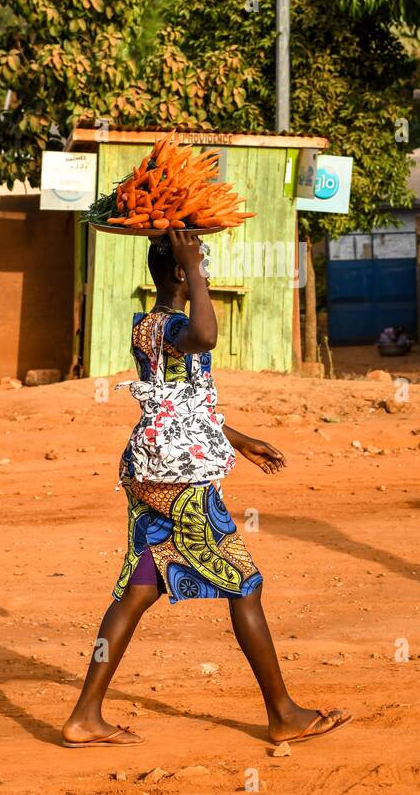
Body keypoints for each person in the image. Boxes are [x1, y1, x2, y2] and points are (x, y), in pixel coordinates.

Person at [62, 229, 351, 749]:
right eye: (199, 267)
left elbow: (179, 405)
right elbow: (207, 335)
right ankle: (283, 713)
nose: (206, 275)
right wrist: (195, 269)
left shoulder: (146, 325)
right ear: (180, 273)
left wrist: (237, 439)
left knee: (141, 588)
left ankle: (86, 715)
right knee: (247, 584)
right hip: (182, 479)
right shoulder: (175, 327)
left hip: (151, 469)